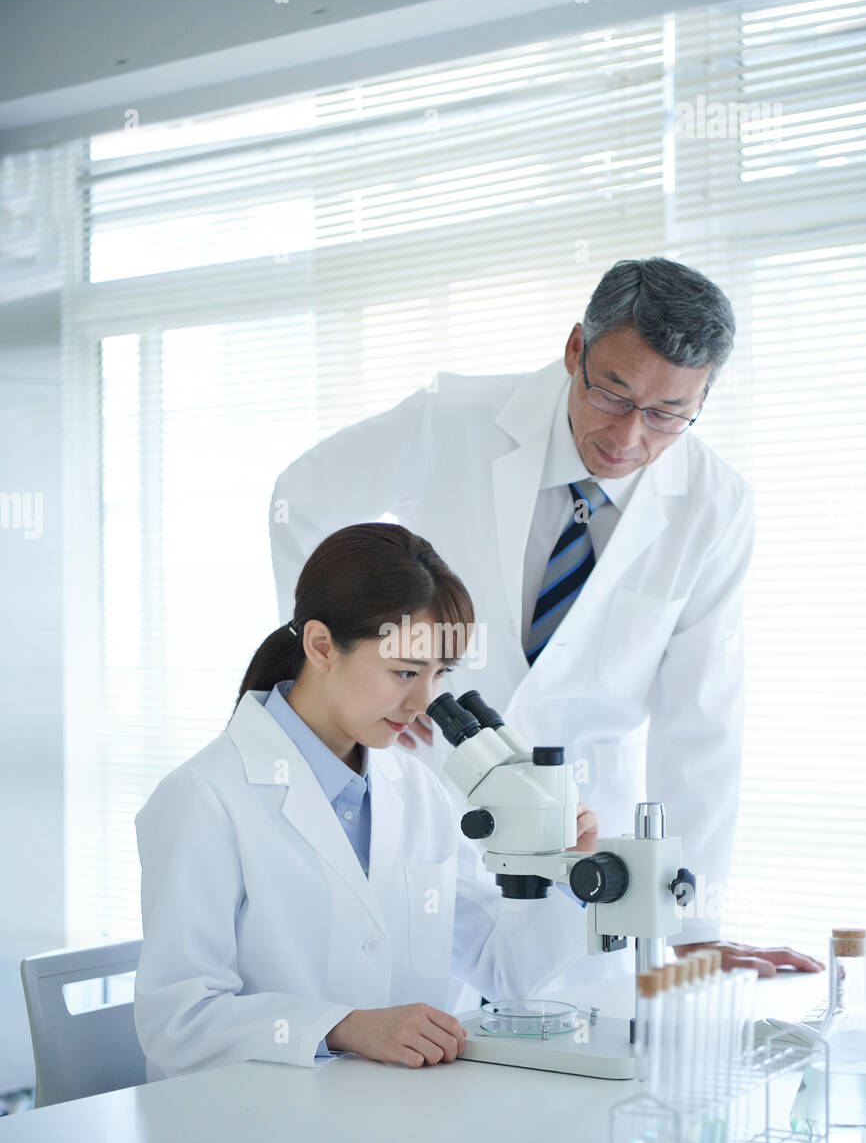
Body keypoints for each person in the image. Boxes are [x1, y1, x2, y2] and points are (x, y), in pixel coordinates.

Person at [270, 257, 822, 982]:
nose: (629, 437)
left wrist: (688, 926)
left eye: (667, 415)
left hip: (583, 864)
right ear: (575, 350)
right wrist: (356, 678)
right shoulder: (455, 420)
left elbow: (701, 725)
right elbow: (302, 499)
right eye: (611, 393)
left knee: (570, 1063)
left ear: (703, 399)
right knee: (402, 1062)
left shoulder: (716, 506)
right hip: (425, 812)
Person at [133, 523, 604, 1078]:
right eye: (404, 672)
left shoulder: (420, 791)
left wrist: (563, 870)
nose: (424, 702)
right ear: (321, 645)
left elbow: (505, 970)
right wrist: (345, 1025)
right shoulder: (203, 797)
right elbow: (178, 1022)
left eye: (439, 675)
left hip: (398, 1114)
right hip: (255, 1124)